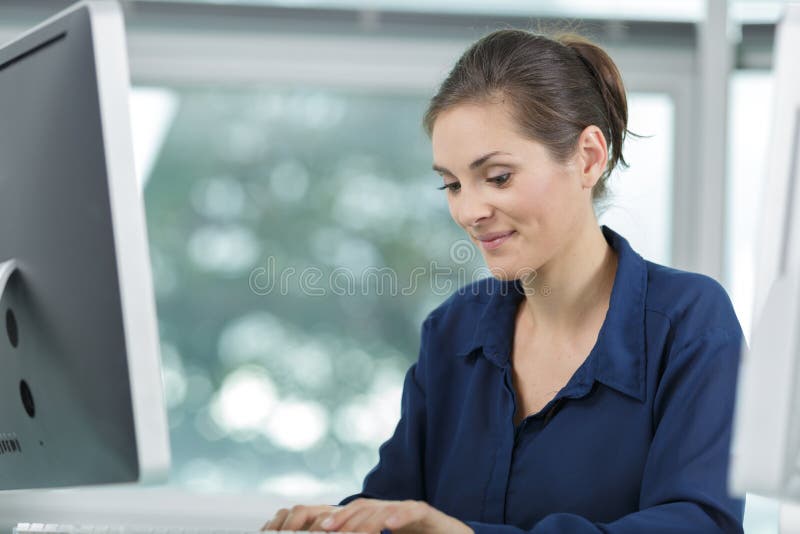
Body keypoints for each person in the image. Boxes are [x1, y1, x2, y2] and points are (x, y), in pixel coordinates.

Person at [262, 28, 745, 533]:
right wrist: (335, 524)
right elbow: (395, 508)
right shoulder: (451, 333)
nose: (469, 211)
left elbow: (701, 523)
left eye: (498, 177)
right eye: (452, 185)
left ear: (588, 157)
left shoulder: (689, 324)